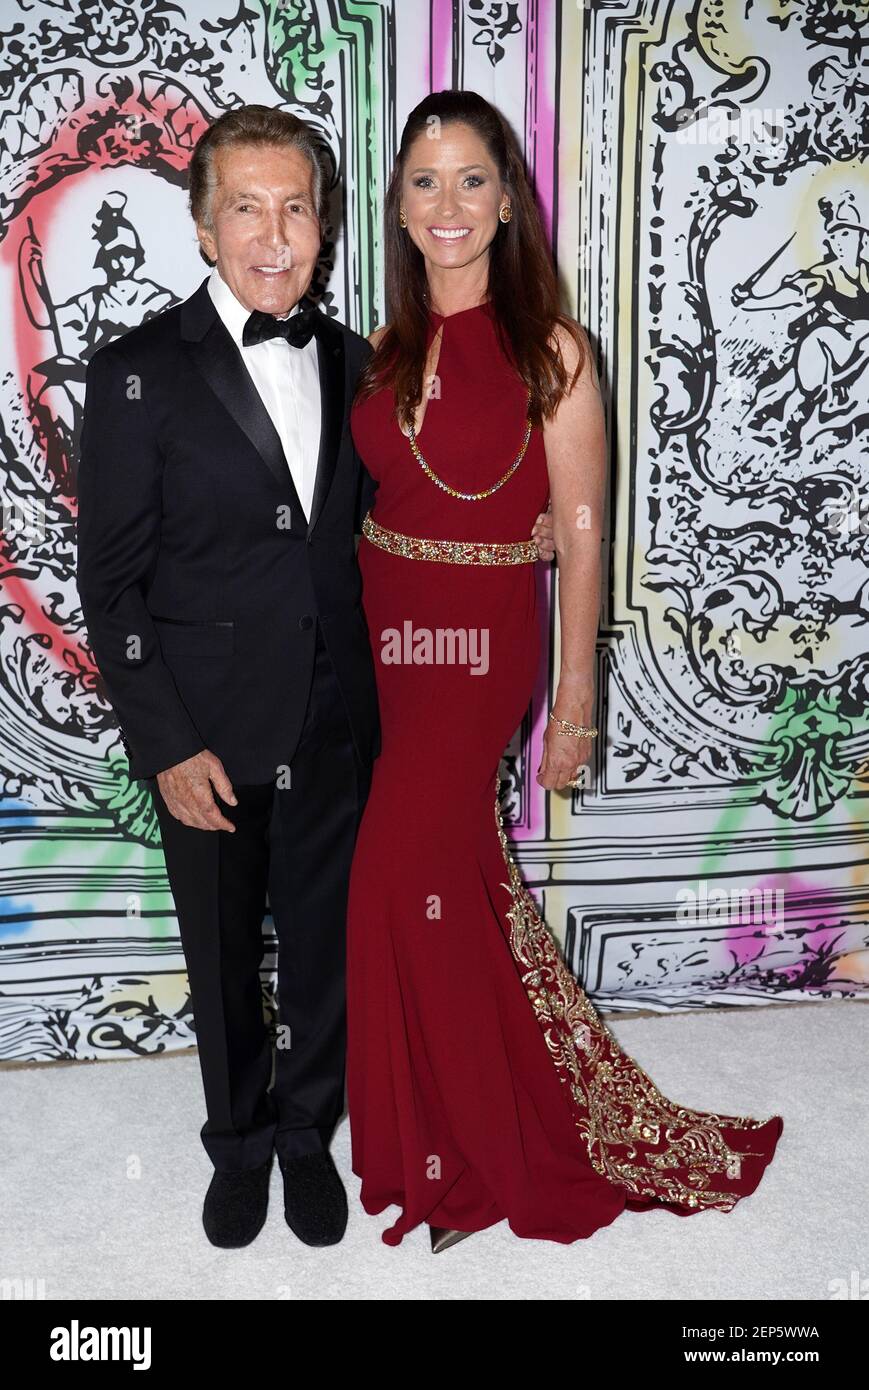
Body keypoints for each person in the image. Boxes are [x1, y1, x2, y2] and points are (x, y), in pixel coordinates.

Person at [75, 104, 555, 1251]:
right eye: (245, 207)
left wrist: (526, 531)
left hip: (342, 719)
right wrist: (165, 743)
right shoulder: (137, 371)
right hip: (202, 732)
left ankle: (305, 1140)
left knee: (329, 951)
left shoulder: (360, 365)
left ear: (327, 226)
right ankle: (236, 1149)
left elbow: (425, 494)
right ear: (203, 227)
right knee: (224, 952)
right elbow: (112, 584)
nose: (273, 234)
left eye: (295, 207)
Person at [345, 89, 784, 1252]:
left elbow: (580, 529)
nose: (448, 204)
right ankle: (429, 1123)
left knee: (404, 869)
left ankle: (482, 1147)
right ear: (397, 203)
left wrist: (575, 705)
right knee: (439, 884)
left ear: (507, 202)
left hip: (480, 643)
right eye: (425, 181)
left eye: (471, 179)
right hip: (378, 635)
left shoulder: (553, 351)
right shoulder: (378, 350)